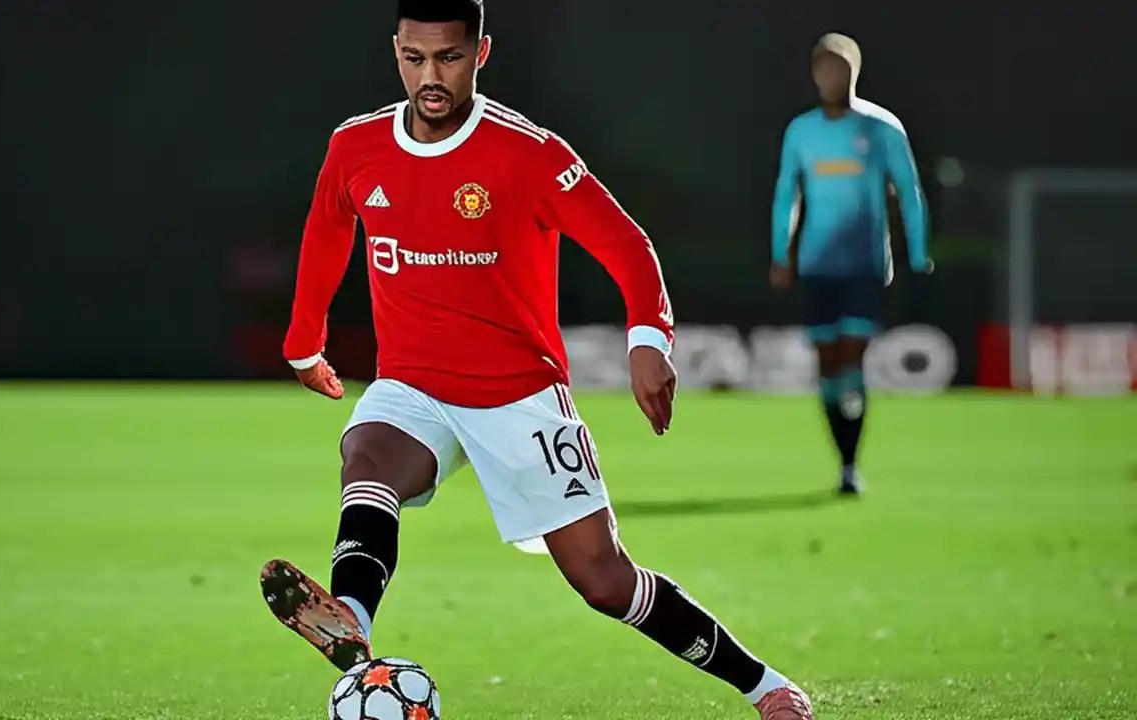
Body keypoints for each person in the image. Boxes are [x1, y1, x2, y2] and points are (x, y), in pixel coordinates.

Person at [261, 1, 814, 717]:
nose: (431, 77)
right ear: (395, 49)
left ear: (481, 52)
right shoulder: (357, 145)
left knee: (604, 580)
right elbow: (328, 228)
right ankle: (352, 624)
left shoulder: (528, 154)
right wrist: (304, 339)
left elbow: (627, 245)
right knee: (367, 456)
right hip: (414, 384)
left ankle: (766, 686)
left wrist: (649, 341)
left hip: (517, 395)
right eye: (414, 58)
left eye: (449, 59)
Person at [770, 32, 931, 496]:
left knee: (852, 357)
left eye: (839, 67)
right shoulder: (802, 131)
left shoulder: (881, 129)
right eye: (823, 68)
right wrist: (781, 254)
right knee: (826, 362)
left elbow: (909, 191)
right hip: (818, 266)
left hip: (863, 265)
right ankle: (842, 459)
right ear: (814, 75)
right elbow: (787, 194)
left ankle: (850, 462)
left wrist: (918, 253)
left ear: (854, 72)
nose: (831, 76)